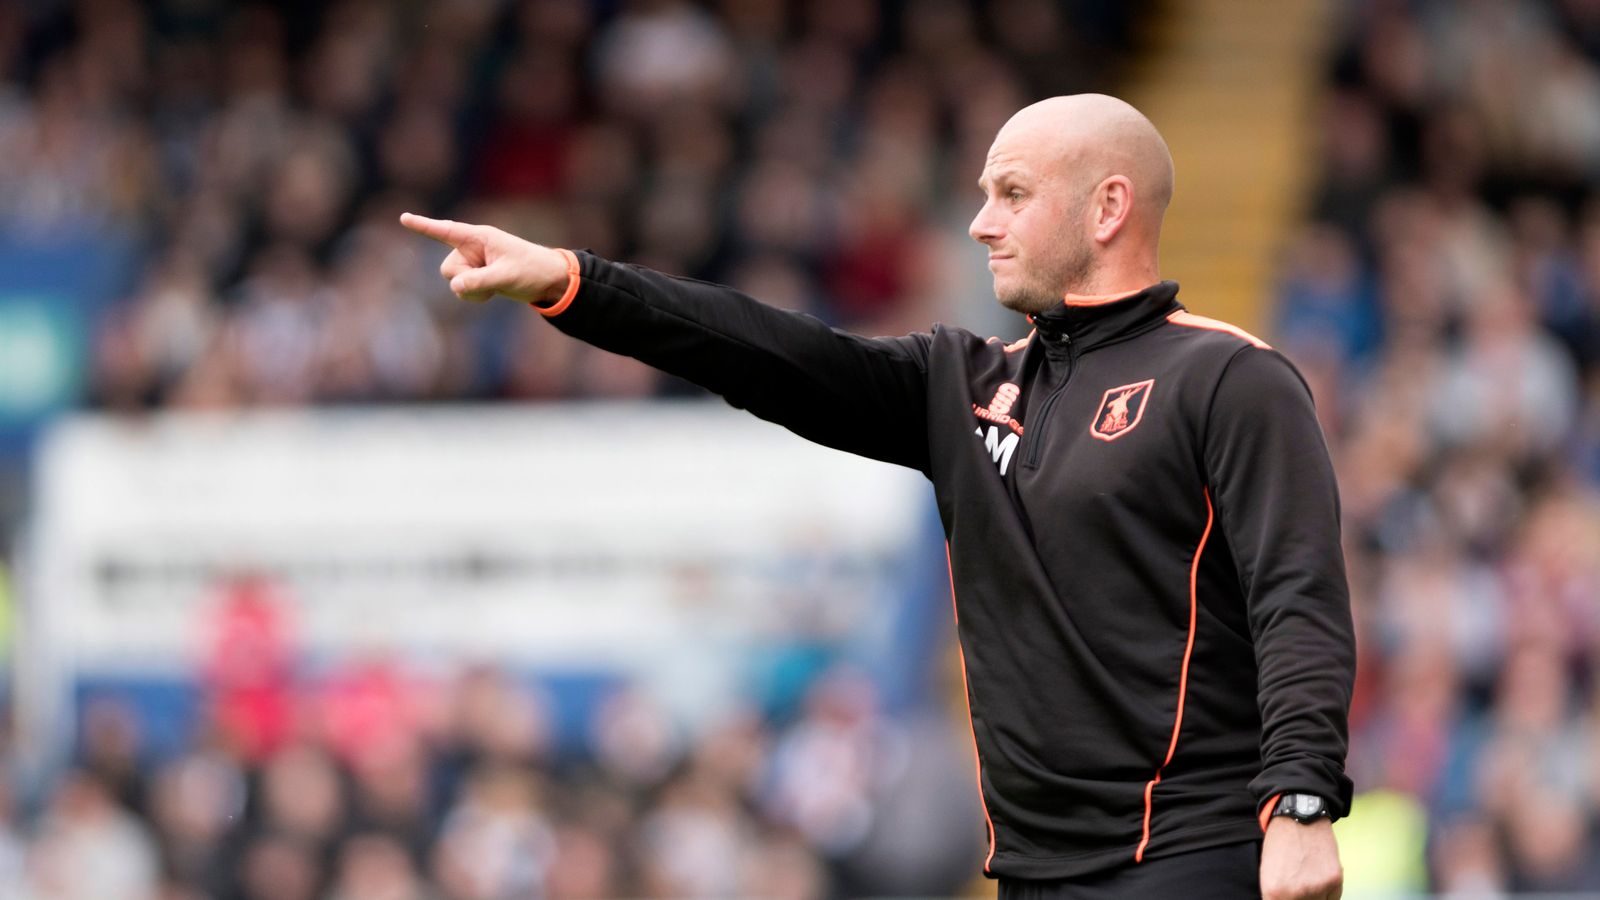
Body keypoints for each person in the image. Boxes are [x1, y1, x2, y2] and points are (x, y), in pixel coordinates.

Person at [401, 94, 1353, 900]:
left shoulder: (1230, 379)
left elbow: (1298, 600)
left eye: (1012, 194)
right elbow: (770, 353)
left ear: (1108, 207)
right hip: (1032, 868)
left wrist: (1303, 801)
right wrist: (572, 281)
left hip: (1194, 858)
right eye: (985, 195)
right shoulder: (967, 383)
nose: (981, 222)